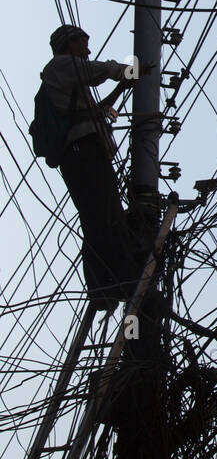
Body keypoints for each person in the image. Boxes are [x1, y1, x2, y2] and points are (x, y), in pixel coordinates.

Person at [39, 25, 151, 311]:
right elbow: (98, 70)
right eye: (84, 45)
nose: (88, 51)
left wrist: (121, 88)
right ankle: (110, 285)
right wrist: (126, 71)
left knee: (109, 214)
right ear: (70, 44)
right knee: (100, 217)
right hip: (81, 153)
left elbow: (94, 113)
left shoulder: (72, 82)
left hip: (88, 153)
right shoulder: (60, 67)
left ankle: (110, 285)